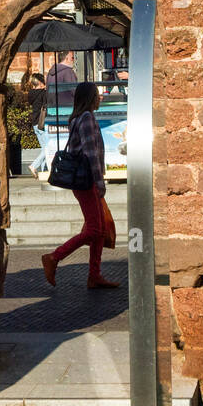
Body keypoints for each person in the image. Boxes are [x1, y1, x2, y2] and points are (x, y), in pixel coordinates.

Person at [41, 82, 119, 290]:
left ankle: (95, 275)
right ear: (90, 98)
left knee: (99, 230)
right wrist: (99, 181)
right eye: (97, 95)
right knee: (95, 230)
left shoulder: (79, 118)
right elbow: (90, 152)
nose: (100, 98)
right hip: (87, 181)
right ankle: (54, 257)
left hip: (84, 180)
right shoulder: (86, 118)